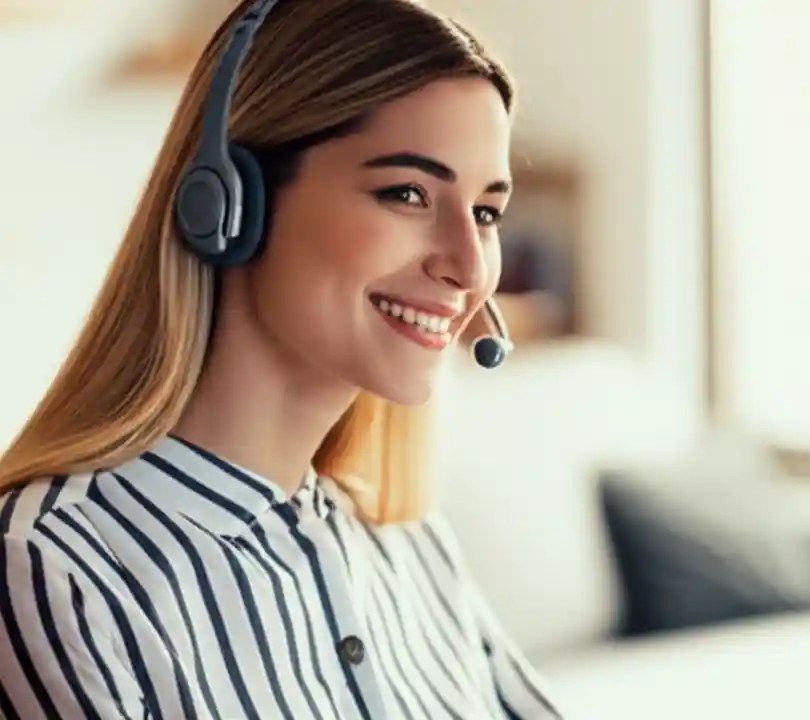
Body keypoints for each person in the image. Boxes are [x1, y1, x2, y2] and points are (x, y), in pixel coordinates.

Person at [0, 0, 563, 717]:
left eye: (486, 212)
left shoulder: (409, 543)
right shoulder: (59, 565)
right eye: (408, 193)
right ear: (232, 203)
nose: (466, 265)